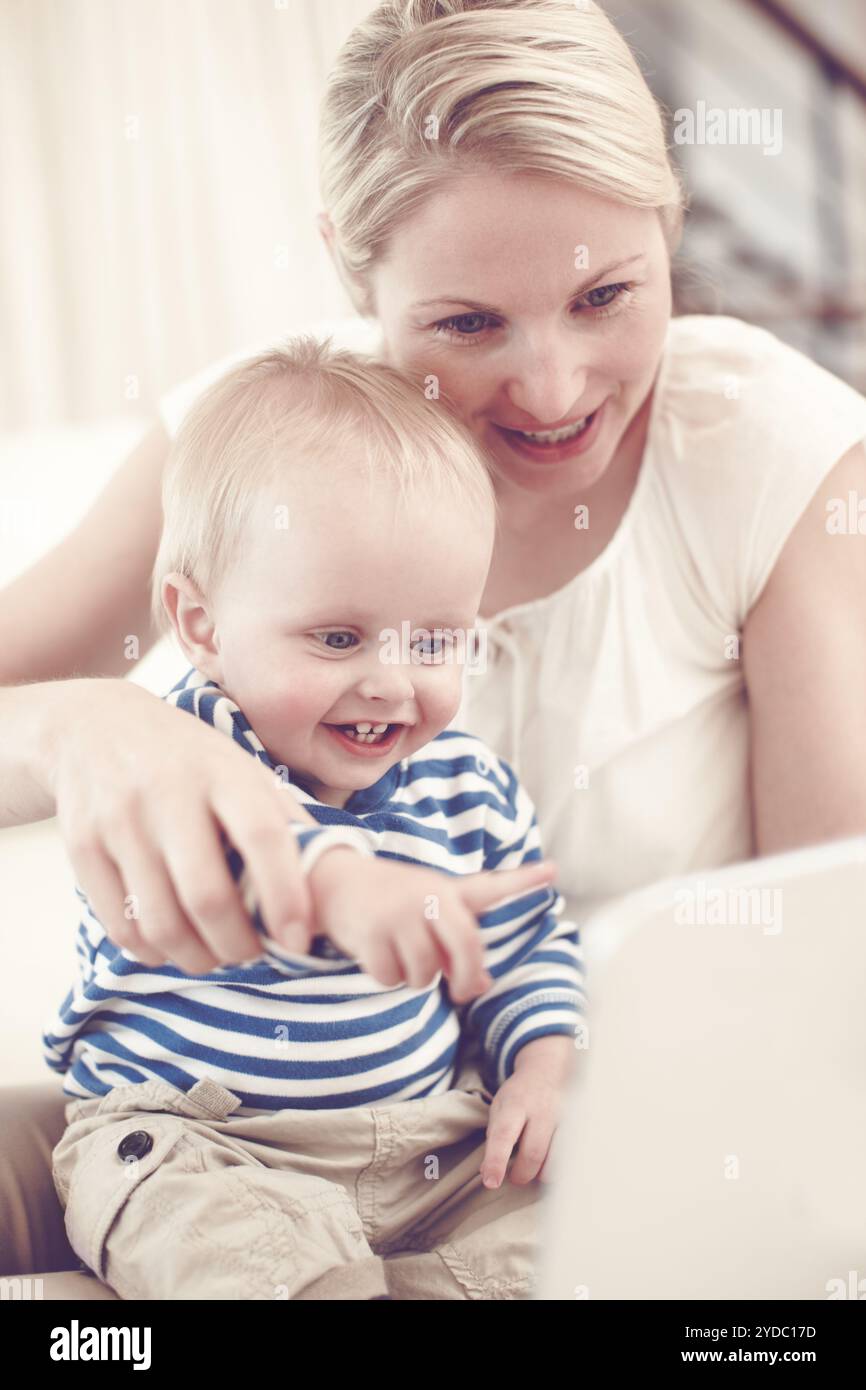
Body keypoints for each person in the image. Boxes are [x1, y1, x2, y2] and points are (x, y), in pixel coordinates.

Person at [2, 0, 865, 1282]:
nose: (553, 387)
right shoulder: (262, 442)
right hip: (208, 1126)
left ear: (668, 232)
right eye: (466, 324)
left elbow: (826, 963)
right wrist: (82, 720)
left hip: (544, 1148)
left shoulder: (763, 454)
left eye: (605, 295)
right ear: (353, 269)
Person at [42, 336, 583, 1300]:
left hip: (432, 1150)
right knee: (221, 1243)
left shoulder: (470, 787)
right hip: (202, 1143)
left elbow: (528, 950)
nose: (390, 680)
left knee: (596, 1240)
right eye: (337, 637)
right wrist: (353, 892)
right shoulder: (179, 754)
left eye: (434, 640)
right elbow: (253, 853)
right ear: (201, 625)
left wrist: (544, 1067)